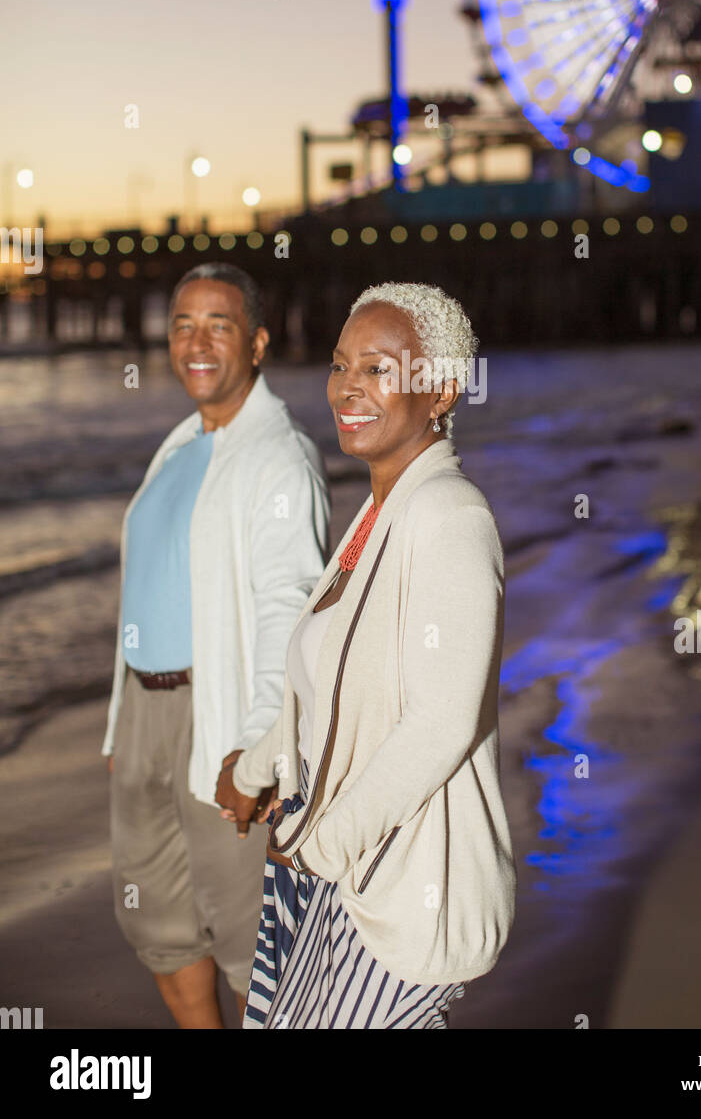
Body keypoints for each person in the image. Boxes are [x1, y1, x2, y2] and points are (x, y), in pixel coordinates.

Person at [216, 280, 516, 1029]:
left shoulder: (448, 515)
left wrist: (319, 848)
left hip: (398, 876)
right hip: (342, 856)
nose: (348, 388)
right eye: (340, 365)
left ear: (440, 390)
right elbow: (325, 690)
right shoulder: (378, 516)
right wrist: (254, 771)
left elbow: (442, 720)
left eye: (378, 369)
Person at [102, 263, 330, 1028]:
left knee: (246, 937)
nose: (196, 343)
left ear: (258, 343)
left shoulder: (278, 455)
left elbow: (287, 606)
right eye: (182, 326)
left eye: (218, 326)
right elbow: (153, 584)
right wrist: (121, 727)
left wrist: (259, 741)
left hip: (223, 716)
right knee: (161, 930)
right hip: (146, 712)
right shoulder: (180, 445)